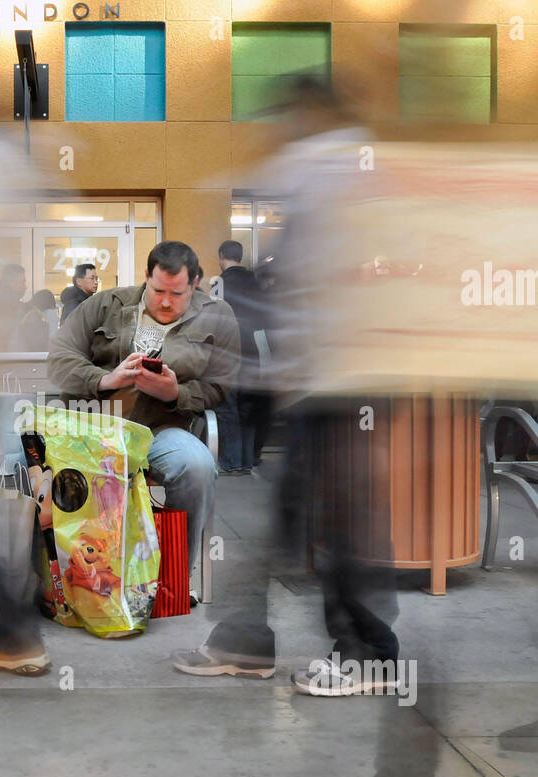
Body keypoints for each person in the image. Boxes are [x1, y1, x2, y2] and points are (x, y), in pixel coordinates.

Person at [171, 76, 403, 694]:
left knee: (335, 524)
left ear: (309, 113)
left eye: (284, 117)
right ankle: (251, 640)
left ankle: (369, 653)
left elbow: (322, 282)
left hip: (337, 384)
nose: (275, 131)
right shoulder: (346, 169)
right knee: (302, 517)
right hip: (324, 381)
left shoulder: (331, 168)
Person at [49, 240, 240, 594]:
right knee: (43, 470)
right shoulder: (105, 304)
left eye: (177, 294)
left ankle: (171, 582)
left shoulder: (218, 315)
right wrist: (105, 379)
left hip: (161, 429)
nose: (165, 302)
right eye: (157, 291)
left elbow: (221, 386)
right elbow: (59, 359)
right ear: (146, 278)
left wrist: (175, 393)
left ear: (195, 282)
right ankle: (80, 582)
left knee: (196, 466)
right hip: (97, 425)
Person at [210, 240, 271, 475]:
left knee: (227, 408)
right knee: (248, 408)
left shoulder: (218, 284)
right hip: (254, 349)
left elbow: (213, 318)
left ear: (221, 256)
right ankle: (247, 460)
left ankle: (232, 461)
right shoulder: (255, 283)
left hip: (228, 350)